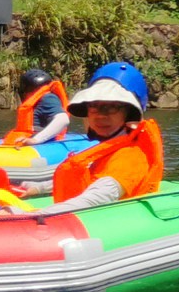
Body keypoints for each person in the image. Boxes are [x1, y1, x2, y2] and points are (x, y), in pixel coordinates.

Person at [39, 62, 165, 211]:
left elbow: (100, 196)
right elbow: (87, 177)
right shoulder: (107, 151)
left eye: (111, 107)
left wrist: (37, 215)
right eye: (94, 106)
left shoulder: (131, 156)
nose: (100, 116)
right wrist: (36, 188)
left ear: (129, 113)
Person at [0, 68, 71, 145]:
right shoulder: (40, 99)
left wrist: (36, 140)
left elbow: (63, 119)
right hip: (17, 145)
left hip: (30, 147)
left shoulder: (47, 98)